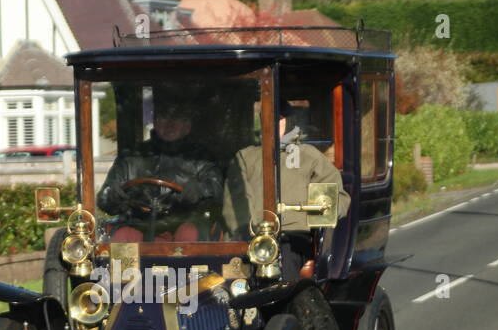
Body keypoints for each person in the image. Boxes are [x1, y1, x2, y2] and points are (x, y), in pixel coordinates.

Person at [222, 98, 350, 278]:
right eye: (266, 118)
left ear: (288, 121)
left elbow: (338, 197)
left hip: (292, 236)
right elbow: (236, 198)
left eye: (278, 119)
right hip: (252, 236)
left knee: (283, 265)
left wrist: (323, 209)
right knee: (226, 276)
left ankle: (287, 304)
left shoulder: (308, 156)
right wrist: (248, 230)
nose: (271, 124)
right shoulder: (246, 156)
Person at [98, 98, 223, 242]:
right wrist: (113, 195)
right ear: (155, 122)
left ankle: (190, 265)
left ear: (187, 125)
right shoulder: (131, 158)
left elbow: (217, 190)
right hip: (139, 224)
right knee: (123, 235)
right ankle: (125, 265)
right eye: (163, 118)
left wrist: (200, 190)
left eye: (176, 118)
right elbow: (104, 198)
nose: (170, 124)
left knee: (189, 234)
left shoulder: (202, 158)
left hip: (184, 222)